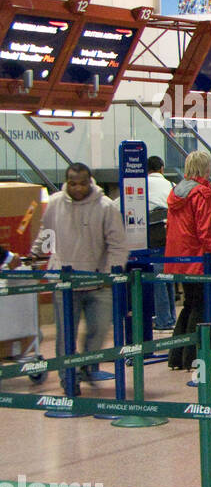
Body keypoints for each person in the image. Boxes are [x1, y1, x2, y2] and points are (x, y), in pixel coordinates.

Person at [39, 163, 128, 389]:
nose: (77, 188)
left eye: (82, 183)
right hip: (65, 282)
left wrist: (110, 274)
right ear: (66, 183)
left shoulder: (106, 206)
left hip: (99, 282)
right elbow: (46, 233)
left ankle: (88, 364)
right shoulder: (54, 203)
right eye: (72, 183)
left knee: (99, 331)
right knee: (65, 335)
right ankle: (69, 378)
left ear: (90, 182)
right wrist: (34, 253)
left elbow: (117, 245)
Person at [164, 151, 211, 370]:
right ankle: (195, 358)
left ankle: (177, 357)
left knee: (189, 304)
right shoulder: (202, 193)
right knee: (201, 308)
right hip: (199, 260)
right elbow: (205, 231)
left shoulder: (177, 192)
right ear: (206, 167)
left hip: (178, 260)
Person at [145, 155, 176, 329]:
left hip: (151, 235)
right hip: (170, 234)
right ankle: (171, 316)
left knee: (158, 277)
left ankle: (164, 319)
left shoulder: (141, 185)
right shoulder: (171, 185)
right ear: (162, 169)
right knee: (169, 275)